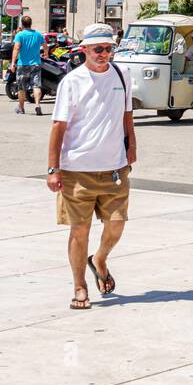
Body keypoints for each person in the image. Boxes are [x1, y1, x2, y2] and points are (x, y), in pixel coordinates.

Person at [46, 23, 136, 311]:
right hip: (77, 170)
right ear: (83, 50)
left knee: (117, 223)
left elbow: (127, 116)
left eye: (109, 48)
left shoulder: (122, 75)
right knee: (79, 229)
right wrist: (53, 169)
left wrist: (131, 149)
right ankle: (80, 286)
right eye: (98, 49)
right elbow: (58, 127)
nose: (104, 54)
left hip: (114, 168)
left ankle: (99, 258)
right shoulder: (72, 81)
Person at [11, 15, 47, 116]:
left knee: (21, 87)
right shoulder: (38, 35)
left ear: (22, 24)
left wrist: (13, 62)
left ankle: (21, 108)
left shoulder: (20, 35)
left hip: (23, 64)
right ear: (31, 24)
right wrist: (46, 54)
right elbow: (45, 46)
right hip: (36, 64)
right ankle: (37, 104)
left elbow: (16, 48)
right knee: (36, 85)